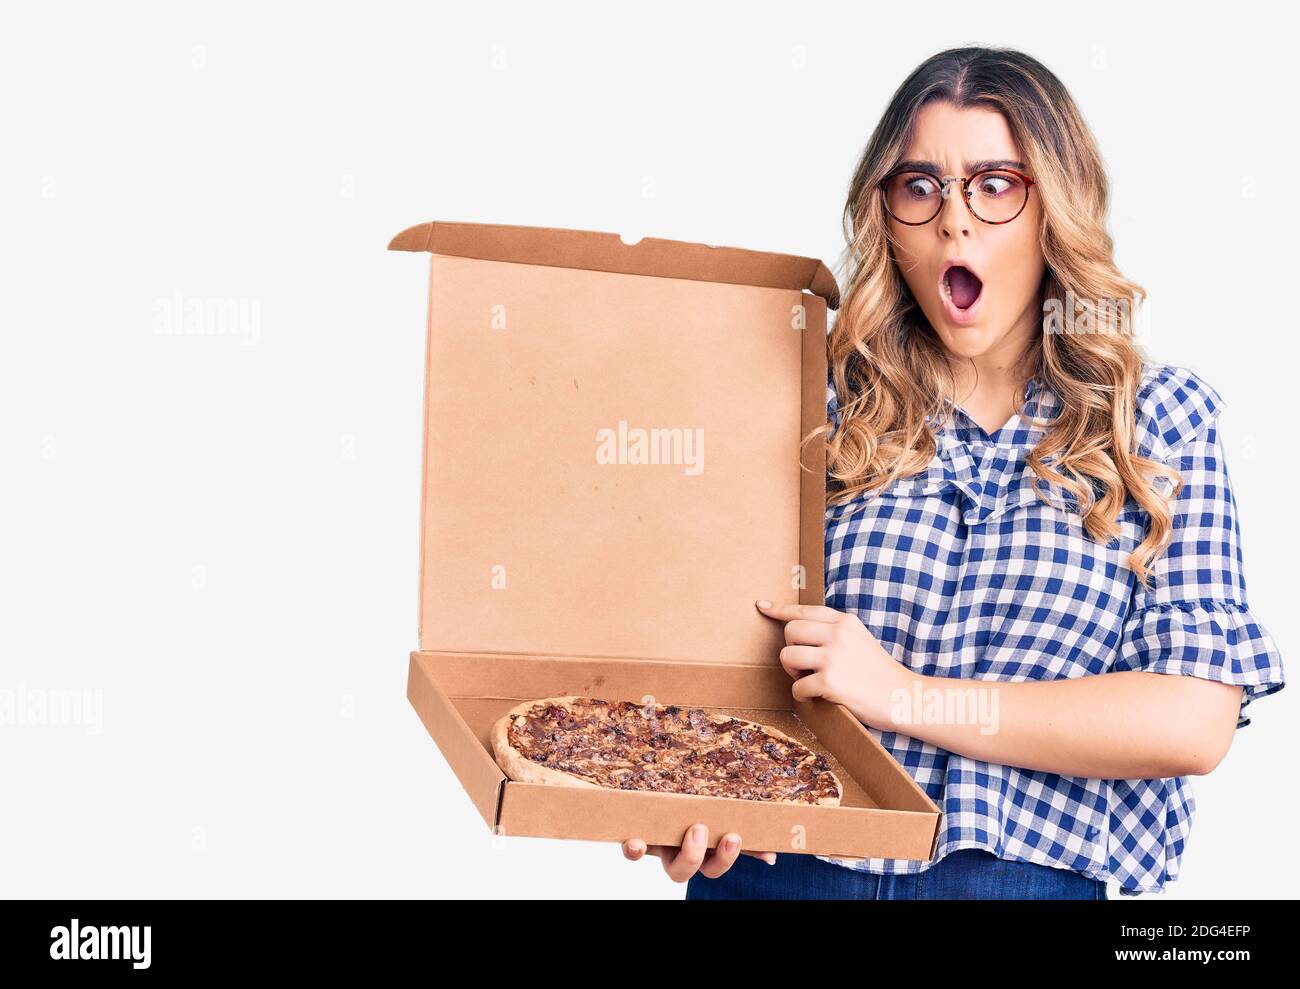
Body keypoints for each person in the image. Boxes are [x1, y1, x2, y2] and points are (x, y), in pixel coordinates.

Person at [621, 45, 1286, 899]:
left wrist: (905, 695)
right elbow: (702, 655)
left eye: (995, 183)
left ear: (1057, 207)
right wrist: (675, 793)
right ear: (886, 215)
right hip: (784, 875)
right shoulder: (807, 405)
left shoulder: (1155, 419)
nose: (954, 221)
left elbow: (1193, 717)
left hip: (1020, 881)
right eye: (920, 186)